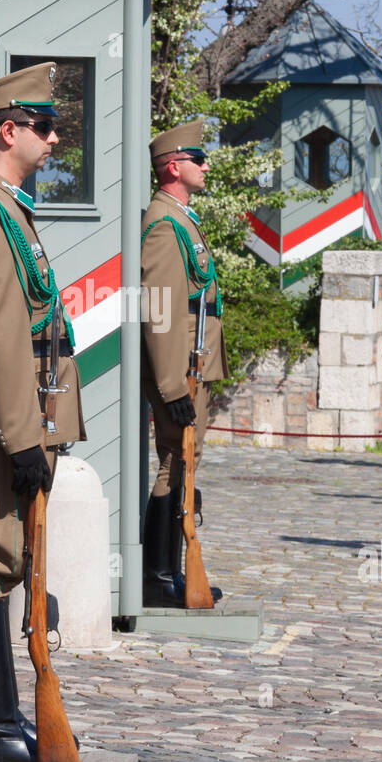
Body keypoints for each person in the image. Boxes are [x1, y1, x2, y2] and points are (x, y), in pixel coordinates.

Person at [0, 61, 86, 762]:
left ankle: (4, 719)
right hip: (6, 418)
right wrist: (24, 437)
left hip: (27, 414)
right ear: (10, 130)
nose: (54, 138)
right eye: (43, 125)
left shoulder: (8, 208)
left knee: (14, 562)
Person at [140, 119, 225, 606]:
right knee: (175, 464)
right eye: (198, 158)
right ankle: (160, 576)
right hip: (182, 369)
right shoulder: (164, 224)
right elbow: (161, 310)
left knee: (185, 463)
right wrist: (172, 386)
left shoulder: (182, 219)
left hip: (196, 363)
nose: (206, 165)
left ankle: (170, 570)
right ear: (173, 167)